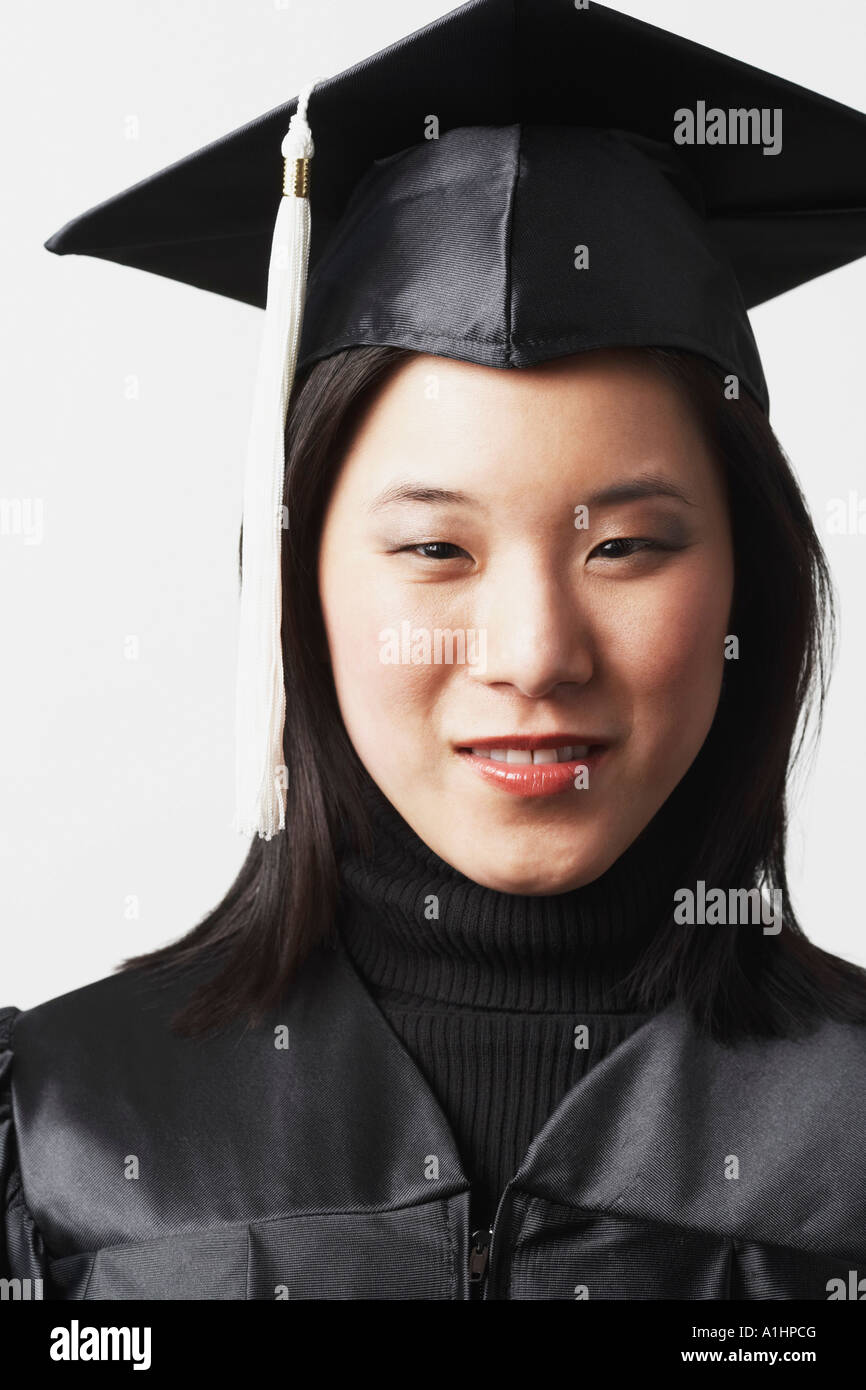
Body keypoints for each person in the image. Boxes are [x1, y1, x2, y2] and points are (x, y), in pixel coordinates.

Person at [3, 0, 866, 1300]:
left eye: (624, 546)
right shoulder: (69, 1138)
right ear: (295, 586)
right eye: (433, 550)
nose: (532, 654)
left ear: (751, 571)